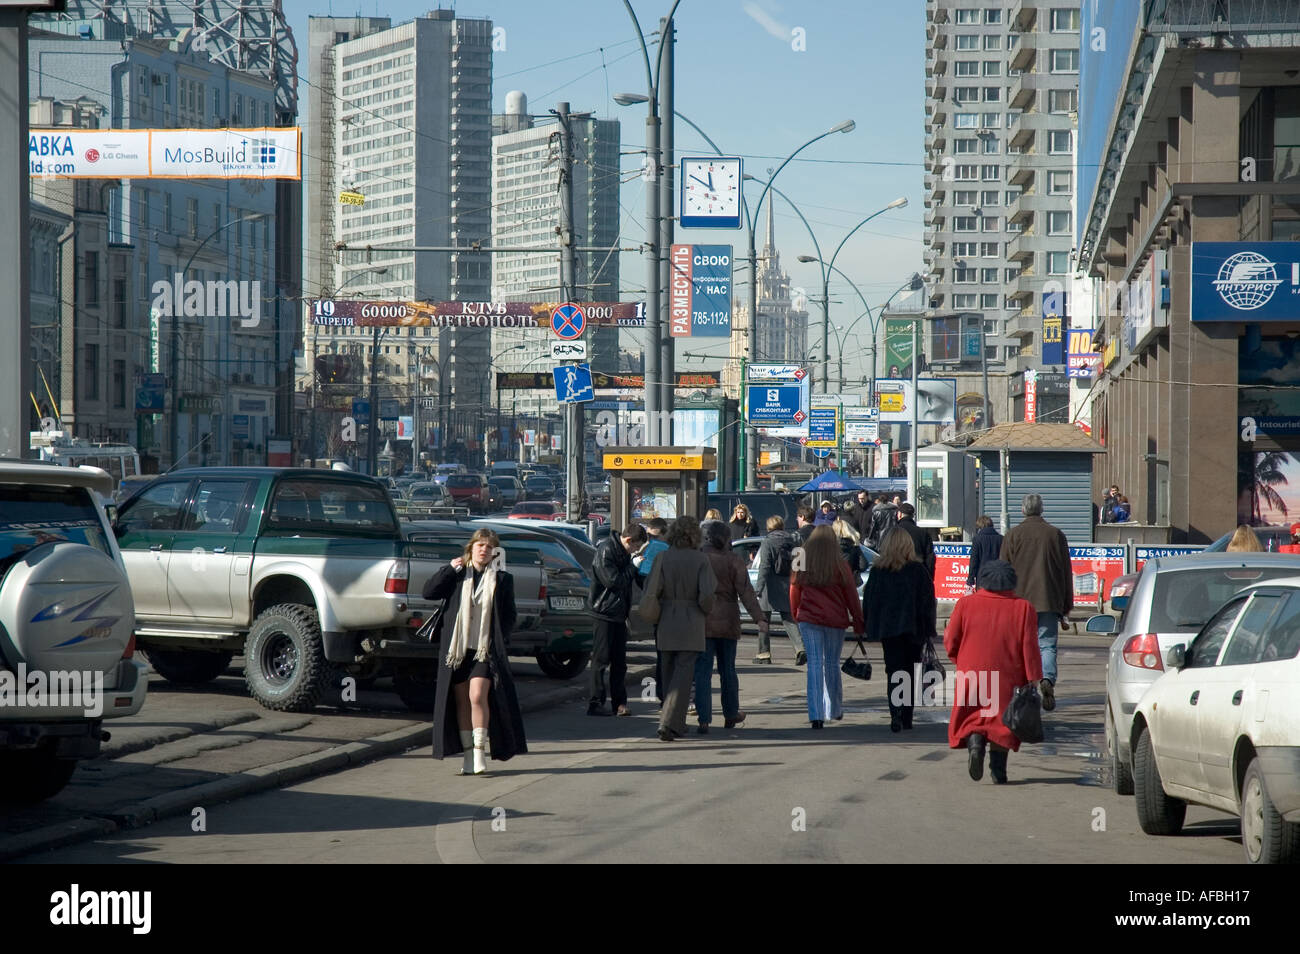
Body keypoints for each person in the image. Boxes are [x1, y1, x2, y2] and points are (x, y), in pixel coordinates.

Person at [424, 527, 526, 776]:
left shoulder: (502, 580)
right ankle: (468, 756)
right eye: (480, 545)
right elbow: (429, 593)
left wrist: (500, 638)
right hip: (457, 650)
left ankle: (480, 752)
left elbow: (510, 615)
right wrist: (448, 569)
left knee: (477, 696)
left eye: (489, 547)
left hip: (484, 651)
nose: (484, 550)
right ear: (471, 548)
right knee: (461, 701)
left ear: (494, 553)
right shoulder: (457, 576)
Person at [944, 559, 1043, 784]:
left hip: (972, 669)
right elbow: (1029, 646)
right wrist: (1033, 677)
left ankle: (976, 743)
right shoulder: (1023, 608)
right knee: (1003, 721)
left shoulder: (965, 604)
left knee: (974, 714)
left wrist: (957, 659)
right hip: (1008, 673)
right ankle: (998, 770)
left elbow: (951, 639)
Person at [641, 515, 717, 741]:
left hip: (666, 619)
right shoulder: (701, 560)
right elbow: (706, 596)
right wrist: (705, 610)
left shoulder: (663, 557)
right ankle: (668, 723)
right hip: (691, 620)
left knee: (667, 673)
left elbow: (652, 587)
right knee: (683, 678)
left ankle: (676, 723)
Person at [999, 493, 1073, 713]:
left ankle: (1024, 688)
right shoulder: (1055, 535)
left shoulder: (1012, 535)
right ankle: (1047, 680)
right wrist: (1066, 605)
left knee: (1019, 646)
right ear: (1042, 510)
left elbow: (1002, 571)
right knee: (1046, 645)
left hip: (1017, 603)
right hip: (1048, 601)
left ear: (1023, 510)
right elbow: (1065, 573)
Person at [696, 519, 768, 732]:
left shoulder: (699, 558)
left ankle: (704, 718)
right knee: (728, 671)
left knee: (702, 671)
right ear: (726, 539)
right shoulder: (733, 560)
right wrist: (759, 618)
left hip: (703, 619)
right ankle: (730, 714)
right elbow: (746, 592)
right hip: (728, 619)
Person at [862, 529, 937, 733]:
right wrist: (929, 628)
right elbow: (928, 602)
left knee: (893, 669)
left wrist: (867, 624)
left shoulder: (879, 571)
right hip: (914, 628)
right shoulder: (918, 570)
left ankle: (895, 713)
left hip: (889, 629)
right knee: (911, 671)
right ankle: (907, 716)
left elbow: (869, 601)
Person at [790, 526, 865, 729]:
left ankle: (816, 714)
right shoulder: (840, 564)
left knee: (814, 664)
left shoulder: (801, 560)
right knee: (832, 663)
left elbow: (794, 589)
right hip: (835, 619)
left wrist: (796, 612)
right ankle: (833, 709)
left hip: (809, 618)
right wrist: (858, 620)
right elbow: (851, 595)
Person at [588, 523, 639, 717]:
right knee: (601, 659)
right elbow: (613, 581)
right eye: (635, 546)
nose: (635, 551)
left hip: (618, 613)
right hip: (604, 611)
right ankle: (595, 702)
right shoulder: (606, 550)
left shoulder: (623, 552)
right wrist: (632, 567)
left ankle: (619, 703)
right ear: (628, 540)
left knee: (620, 662)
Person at [754, 514, 807, 665]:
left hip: (769, 586)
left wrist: (758, 588)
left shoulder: (767, 542)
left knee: (764, 619)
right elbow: (801, 565)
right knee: (789, 619)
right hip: (789, 584)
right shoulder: (795, 540)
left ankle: (763, 654)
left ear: (769, 527)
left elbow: (764, 567)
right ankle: (800, 649)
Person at [635, 518, 670, 703]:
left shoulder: (654, 549)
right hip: (673, 612)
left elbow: (643, 578)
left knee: (662, 653)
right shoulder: (665, 549)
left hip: (660, 609)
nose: (649, 538)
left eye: (652, 535)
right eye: (647, 535)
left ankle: (663, 696)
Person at [890, 502, 936, 575]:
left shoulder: (892, 533)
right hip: (918, 575)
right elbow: (930, 558)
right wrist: (929, 578)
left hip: (897, 575)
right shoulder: (923, 533)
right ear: (912, 516)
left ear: (899, 514)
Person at [965, 514, 1003, 589]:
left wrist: (970, 580)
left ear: (980, 526)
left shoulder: (977, 539)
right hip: (997, 576)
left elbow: (974, 561)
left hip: (982, 577)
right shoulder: (1001, 539)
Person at [832, 516, 867, 583]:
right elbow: (863, 565)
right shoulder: (854, 546)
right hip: (849, 581)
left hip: (833, 583)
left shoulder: (830, 546)